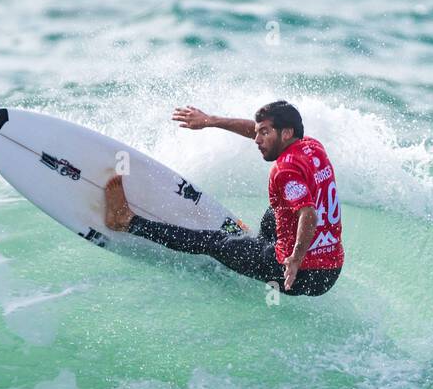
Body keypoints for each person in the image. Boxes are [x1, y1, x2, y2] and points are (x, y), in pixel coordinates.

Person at [104, 100, 344, 296]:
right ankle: (256, 247)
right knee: (277, 210)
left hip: (300, 275)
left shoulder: (285, 169)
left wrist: (294, 260)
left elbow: (308, 215)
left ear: (286, 133)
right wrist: (210, 121)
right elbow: (256, 130)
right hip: (330, 270)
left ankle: (126, 221)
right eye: (258, 132)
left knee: (213, 241)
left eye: (264, 133)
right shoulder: (312, 147)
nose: (257, 139)